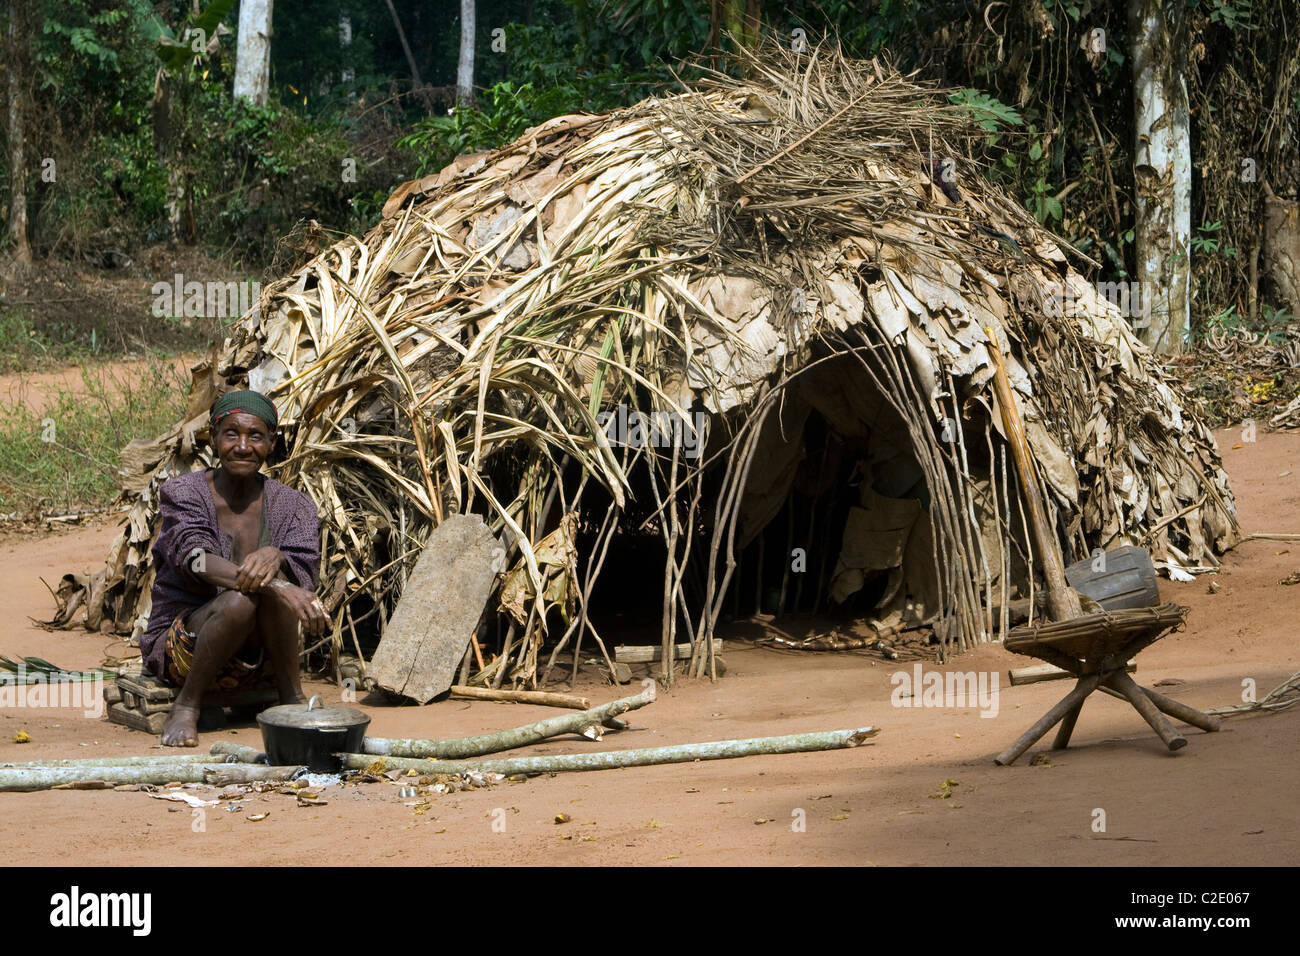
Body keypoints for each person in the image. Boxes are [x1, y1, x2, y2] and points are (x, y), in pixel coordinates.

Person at [140, 389, 329, 747]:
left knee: (264, 593)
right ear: (213, 437)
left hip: (262, 657)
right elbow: (193, 559)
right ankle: (186, 705)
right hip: (185, 643)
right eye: (231, 434)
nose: (243, 446)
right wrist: (277, 585)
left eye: (255, 436)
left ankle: (291, 696)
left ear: (271, 442)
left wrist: (279, 556)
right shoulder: (184, 493)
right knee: (241, 600)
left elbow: (305, 575)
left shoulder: (295, 505)